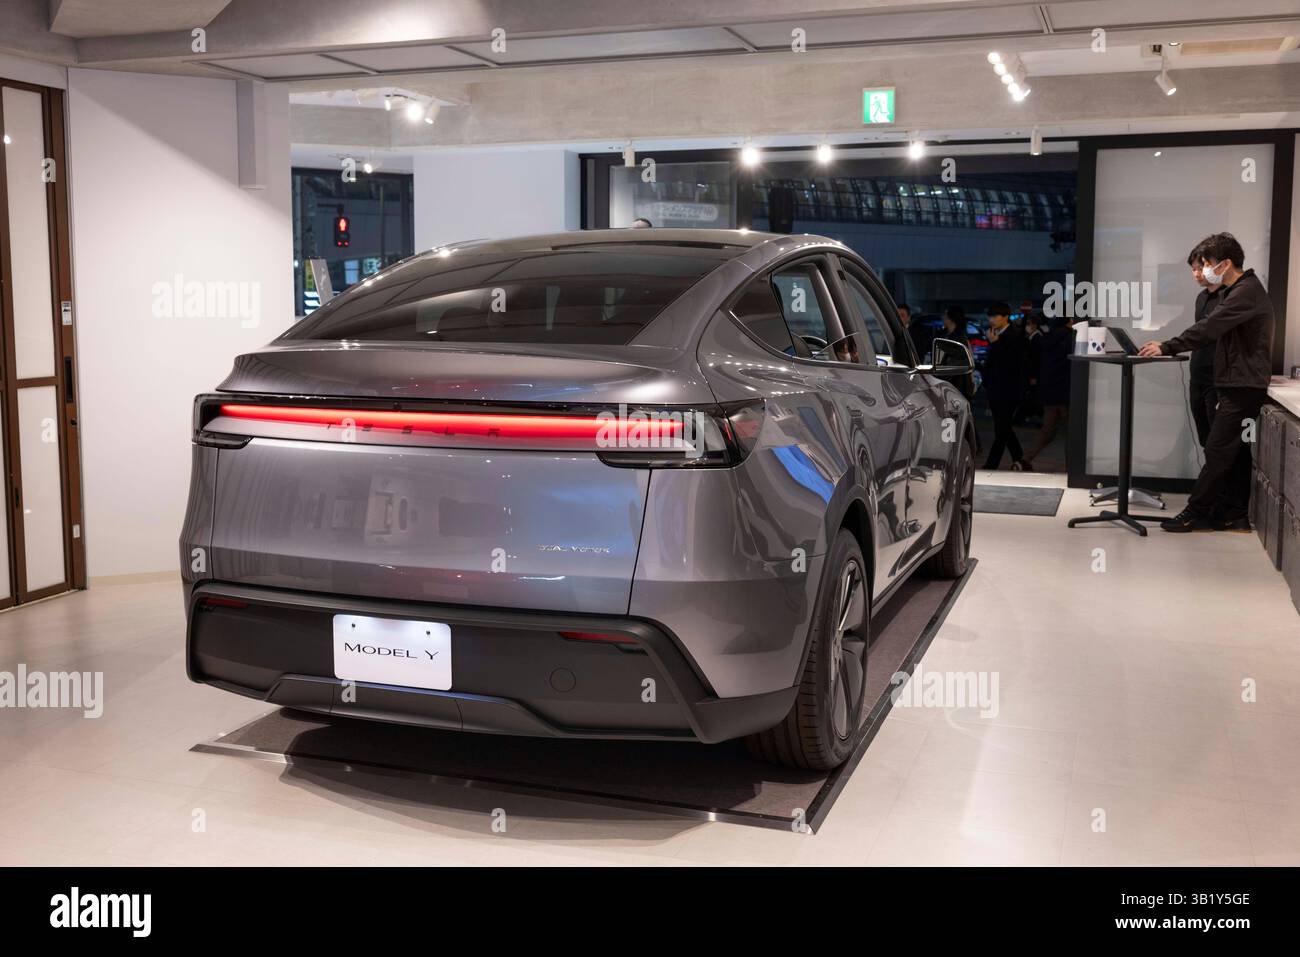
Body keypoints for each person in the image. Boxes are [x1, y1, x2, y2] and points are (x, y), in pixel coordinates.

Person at [1138, 232, 1274, 532]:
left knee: (1217, 451)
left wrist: (1168, 346)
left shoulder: (1245, 291)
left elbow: (1210, 328)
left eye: (1206, 264)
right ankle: (1232, 514)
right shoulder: (1232, 291)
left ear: (1224, 264)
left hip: (1241, 385)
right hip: (1233, 382)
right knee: (1232, 453)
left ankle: (1195, 512)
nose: (1201, 271)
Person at [1018, 314, 1073, 469]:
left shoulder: (1047, 338)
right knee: (1073, 433)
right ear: (1070, 321)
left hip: (1050, 392)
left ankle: (1025, 460)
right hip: (1067, 392)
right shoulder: (1071, 338)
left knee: (1046, 431)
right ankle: (1072, 468)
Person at [980, 301, 1028, 470]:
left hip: (1009, 389)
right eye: (990, 316)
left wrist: (995, 344)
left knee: (1002, 428)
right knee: (1003, 428)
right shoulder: (994, 333)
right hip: (995, 388)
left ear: (1006, 317)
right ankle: (1021, 459)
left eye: (995, 316)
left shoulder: (1014, 335)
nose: (992, 320)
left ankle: (992, 464)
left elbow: (1012, 363)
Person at [1185, 243, 1222, 448]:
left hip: (1216, 379)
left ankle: (1216, 481)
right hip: (1197, 375)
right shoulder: (1201, 298)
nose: (1197, 274)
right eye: (1193, 270)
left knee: (1218, 443)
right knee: (1204, 440)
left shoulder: (1228, 297)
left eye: (1201, 268)